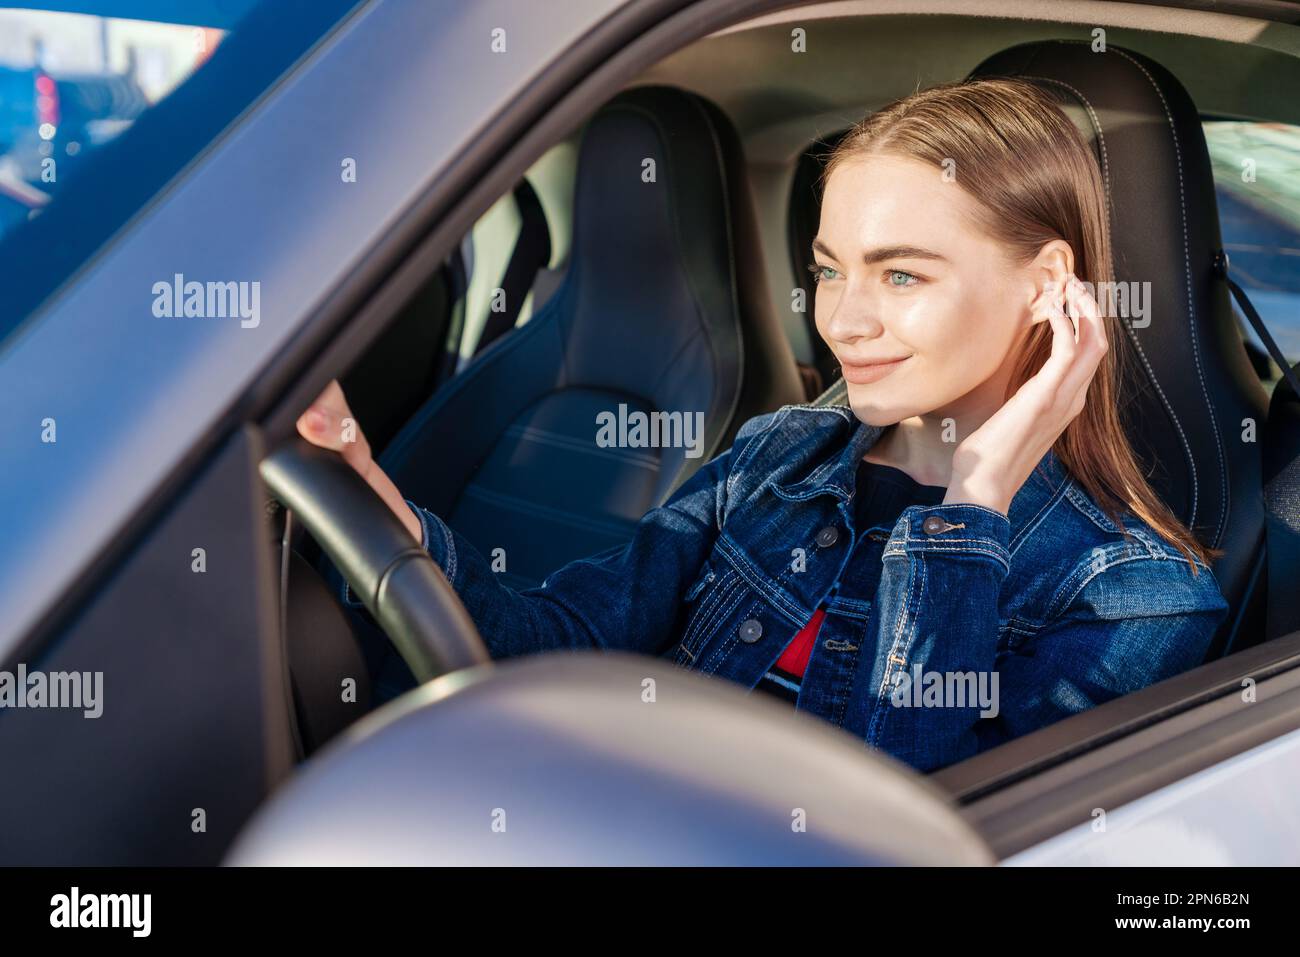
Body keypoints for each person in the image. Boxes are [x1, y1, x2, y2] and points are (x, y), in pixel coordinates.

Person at [296, 77, 1229, 774]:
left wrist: (973, 498)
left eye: (901, 274)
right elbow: (570, 636)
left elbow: (911, 820)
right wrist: (373, 503)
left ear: (1045, 285)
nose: (843, 319)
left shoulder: (1138, 597)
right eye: (829, 270)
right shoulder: (776, 457)